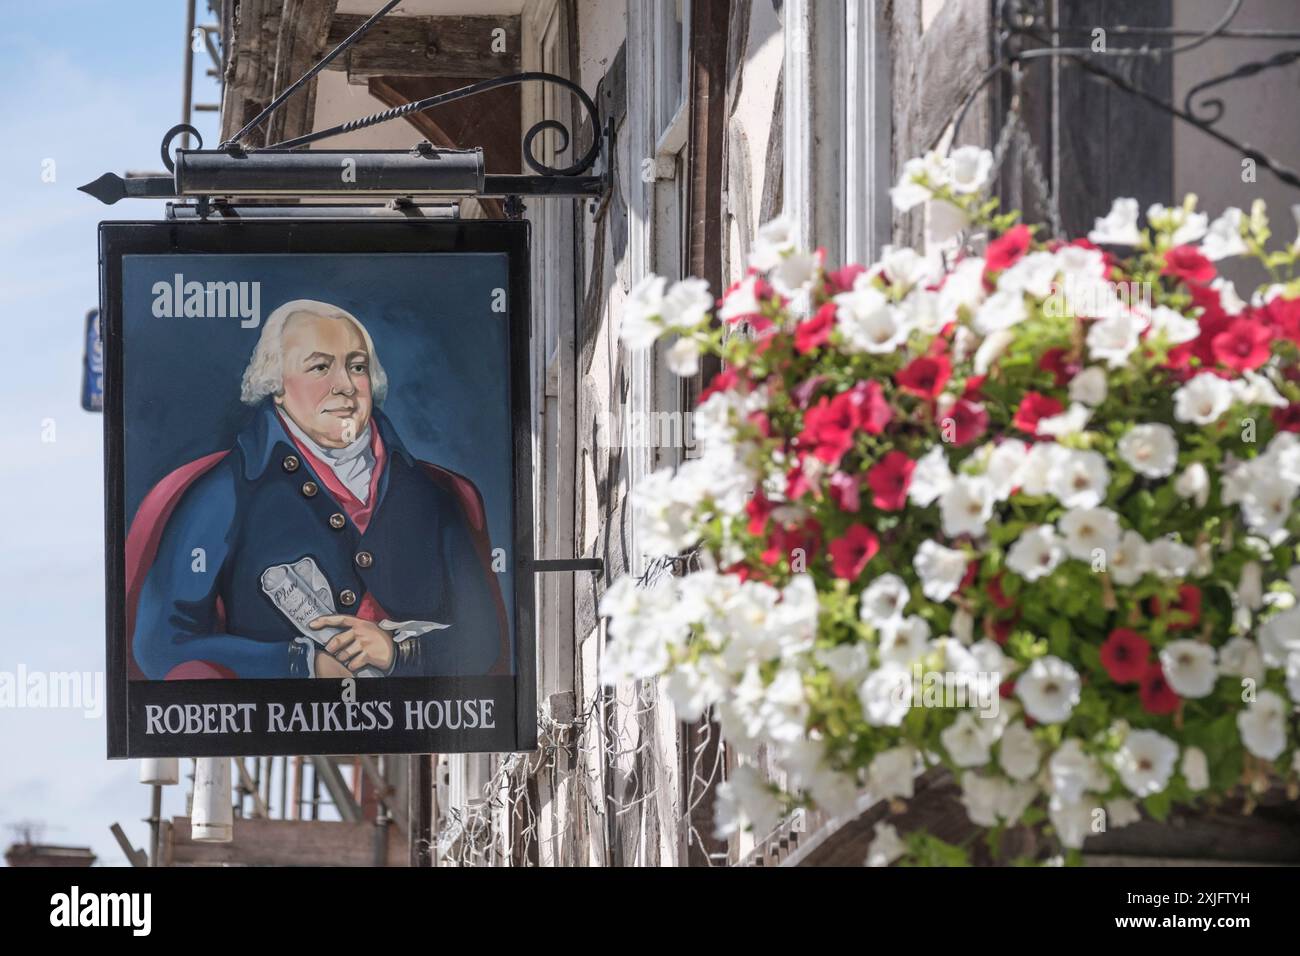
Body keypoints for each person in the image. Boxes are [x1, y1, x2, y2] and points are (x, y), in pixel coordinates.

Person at [127, 299, 509, 679]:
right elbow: (162, 645)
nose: (345, 386)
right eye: (320, 367)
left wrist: (399, 652)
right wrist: (302, 663)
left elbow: (483, 639)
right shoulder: (225, 492)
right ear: (275, 385)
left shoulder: (435, 494)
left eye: (356, 367)